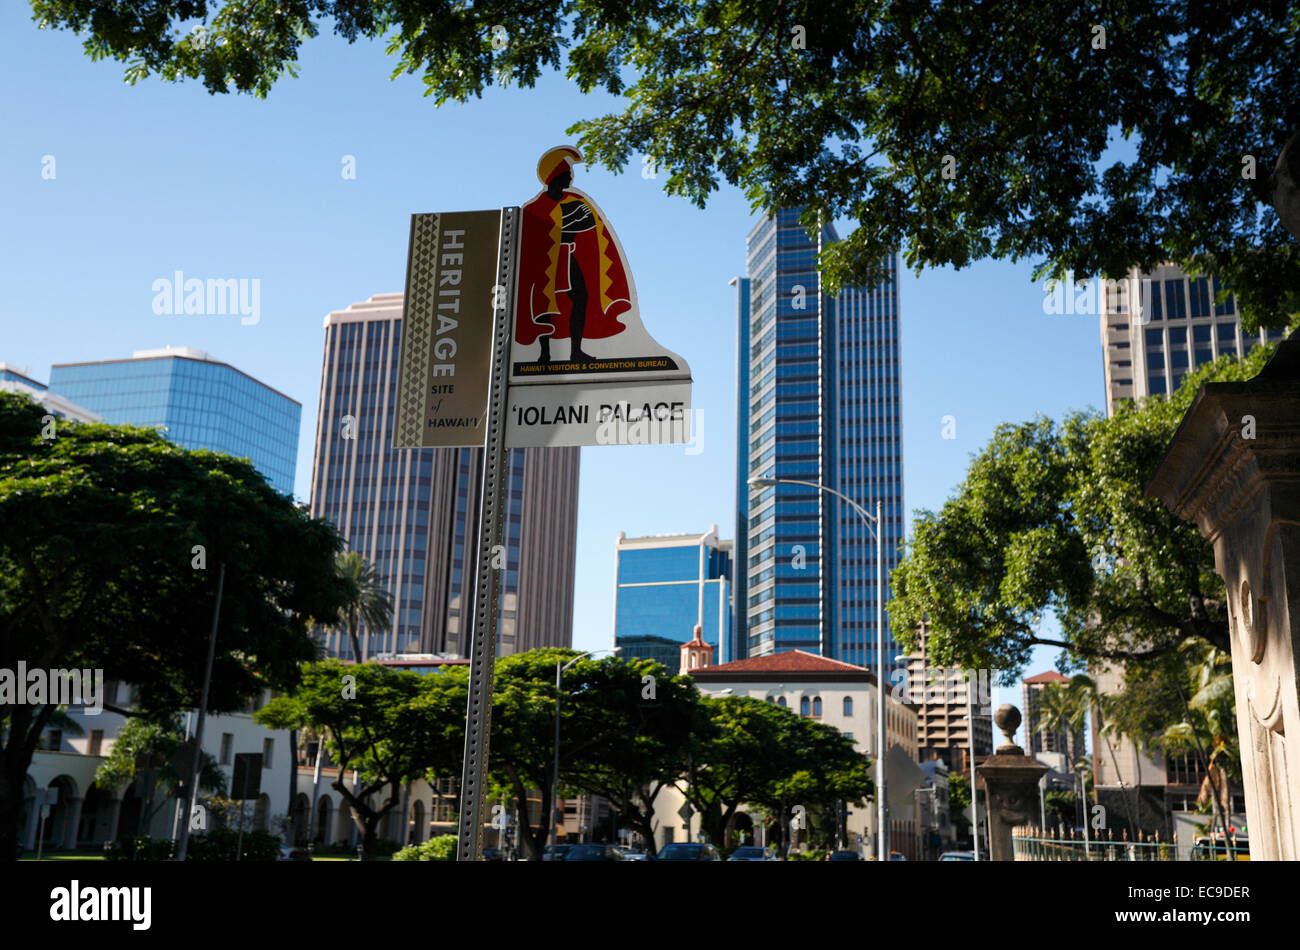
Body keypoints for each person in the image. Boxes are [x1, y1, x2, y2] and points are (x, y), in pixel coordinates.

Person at [516, 146, 631, 365]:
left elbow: (588, 223)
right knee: (544, 306)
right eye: (567, 172)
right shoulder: (534, 208)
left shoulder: (574, 202)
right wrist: (562, 229)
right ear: (556, 176)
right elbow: (534, 235)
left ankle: (575, 351)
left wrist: (562, 230)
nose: (571, 176)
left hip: (567, 258)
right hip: (544, 263)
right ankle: (545, 354)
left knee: (581, 299)